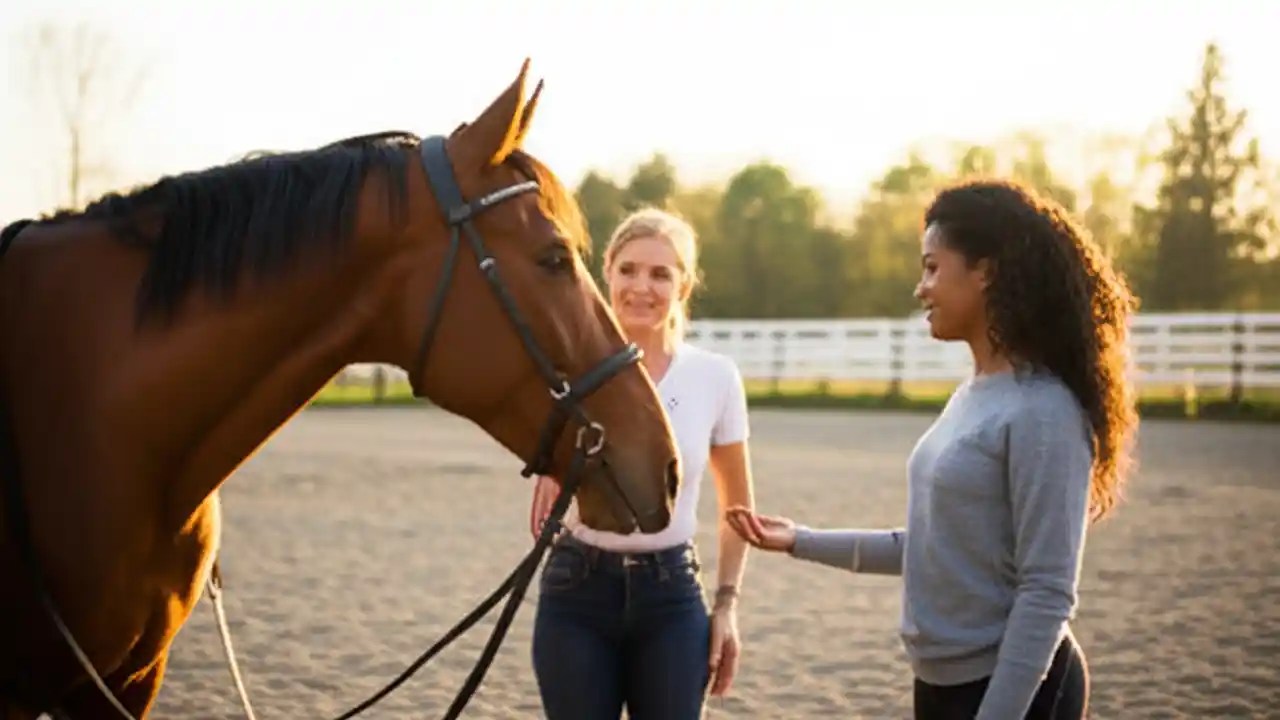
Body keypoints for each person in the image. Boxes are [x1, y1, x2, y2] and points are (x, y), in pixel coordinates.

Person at [727, 179, 1138, 720]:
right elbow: (930, 548)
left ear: (986, 272)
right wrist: (799, 541)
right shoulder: (974, 394)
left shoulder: (1043, 411)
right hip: (941, 682)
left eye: (931, 267)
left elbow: (1046, 592)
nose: (920, 288)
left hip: (1018, 689)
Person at [528, 207, 756, 720]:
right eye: (628, 269)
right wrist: (548, 463)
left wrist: (726, 605)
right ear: (605, 271)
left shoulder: (715, 377)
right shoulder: (567, 371)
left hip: (671, 597)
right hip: (576, 592)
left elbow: (737, 507)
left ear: (684, 285)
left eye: (660, 273)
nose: (641, 287)